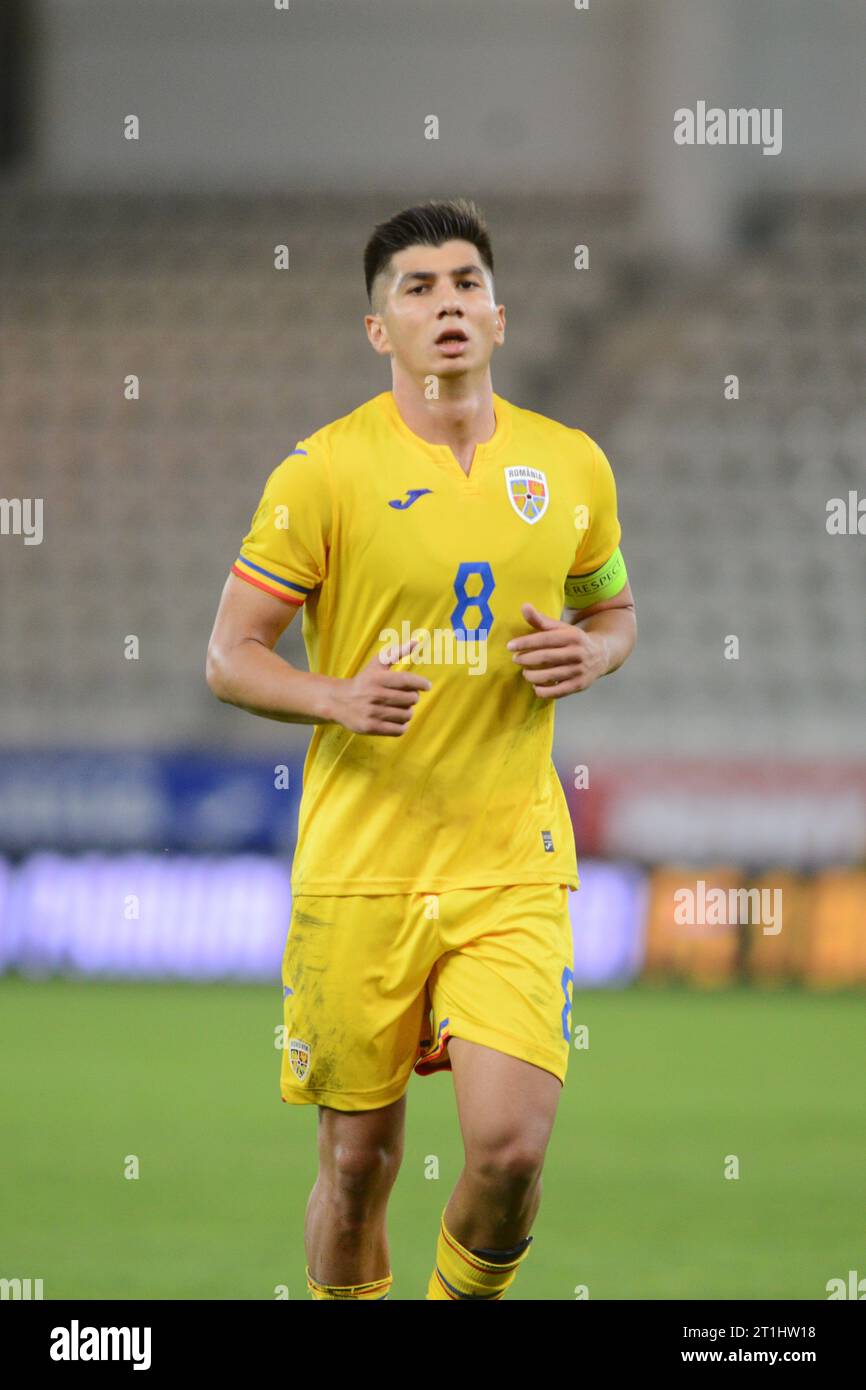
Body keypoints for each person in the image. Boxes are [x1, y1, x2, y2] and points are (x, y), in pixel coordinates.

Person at [205, 197, 636, 1300]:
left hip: (510, 855)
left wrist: (594, 655)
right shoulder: (322, 473)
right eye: (416, 288)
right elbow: (230, 656)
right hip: (361, 867)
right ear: (377, 330)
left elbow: (612, 614)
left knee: (508, 1150)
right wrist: (331, 694)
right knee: (358, 1167)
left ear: (498, 316)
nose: (445, 303)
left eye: (464, 285)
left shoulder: (570, 466)